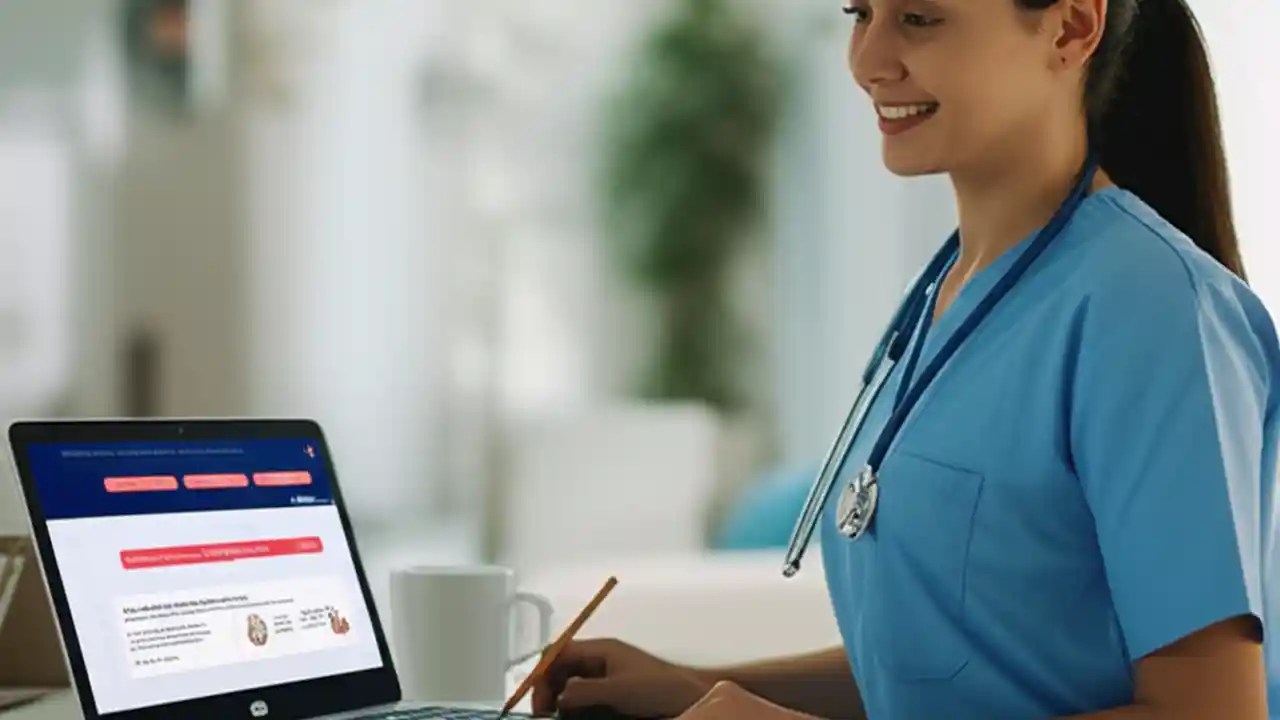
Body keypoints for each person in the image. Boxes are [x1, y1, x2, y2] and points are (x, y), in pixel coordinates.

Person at [533, 0, 1280, 718]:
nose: (867, 61)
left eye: (919, 19)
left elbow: (1210, 713)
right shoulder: (948, 297)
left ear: (1071, 27)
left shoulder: (1149, 311)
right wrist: (693, 685)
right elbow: (946, 678)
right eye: (860, 14)